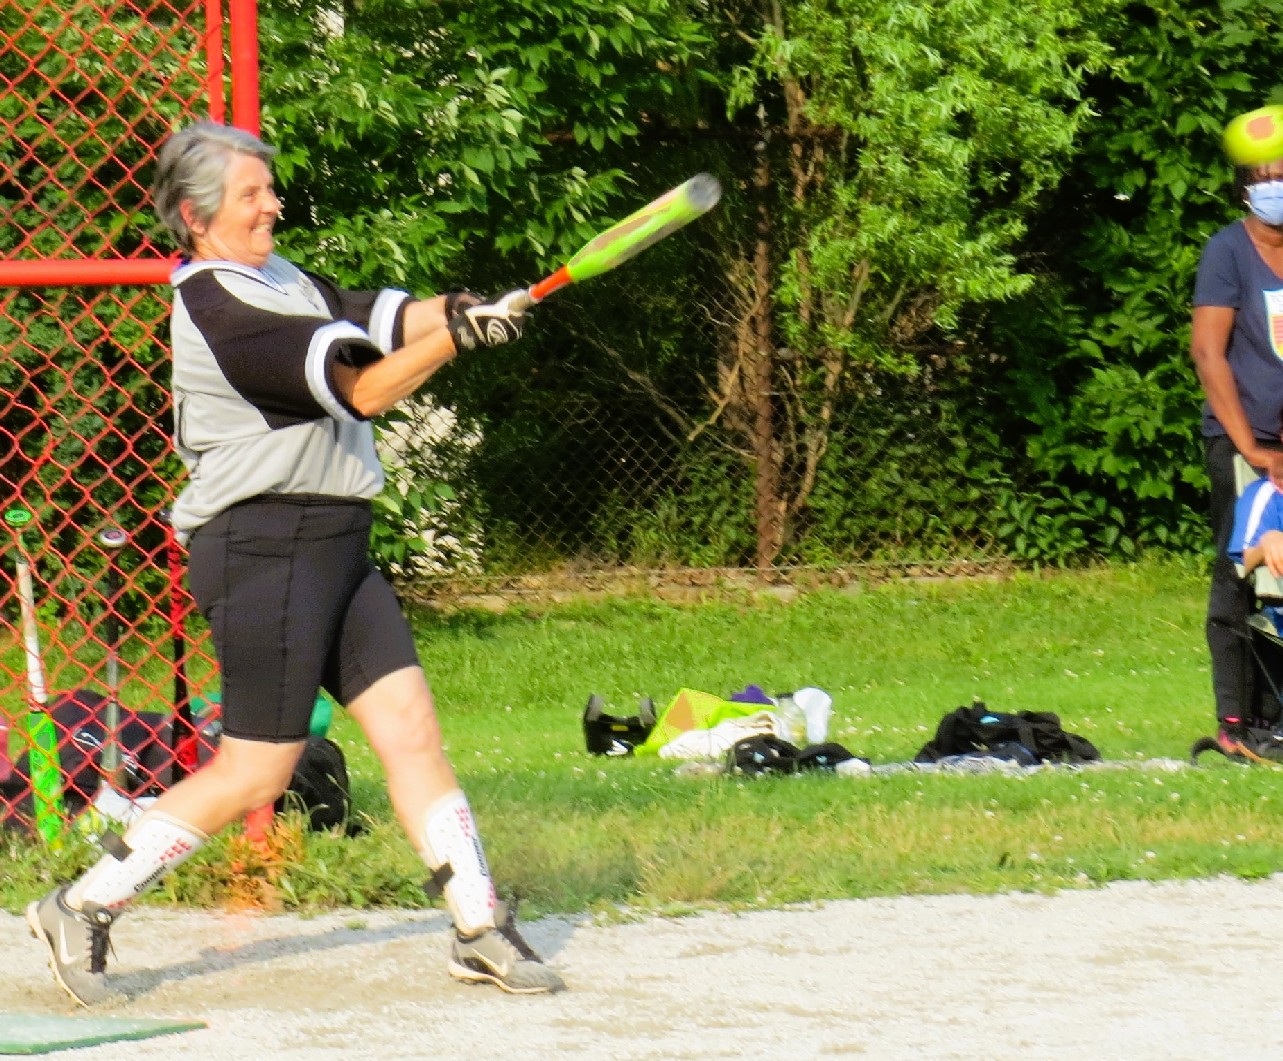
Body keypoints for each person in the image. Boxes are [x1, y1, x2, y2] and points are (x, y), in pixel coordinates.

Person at [26, 120, 564, 1005]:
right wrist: (457, 344)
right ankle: (81, 901)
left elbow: (374, 314)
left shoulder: (280, 278)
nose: (273, 202)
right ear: (198, 217)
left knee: (411, 730)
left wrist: (460, 309)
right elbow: (364, 386)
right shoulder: (215, 306)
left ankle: (480, 926)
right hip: (263, 546)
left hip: (336, 541)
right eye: (251, 193)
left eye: (269, 189)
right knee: (257, 769)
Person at [1191, 118, 1283, 760]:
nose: (1275, 181)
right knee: (1240, 574)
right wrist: (1252, 447)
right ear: (1244, 185)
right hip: (1244, 444)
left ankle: (1274, 719)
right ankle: (1235, 722)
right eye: (1263, 173)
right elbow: (1209, 352)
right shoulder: (1227, 252)